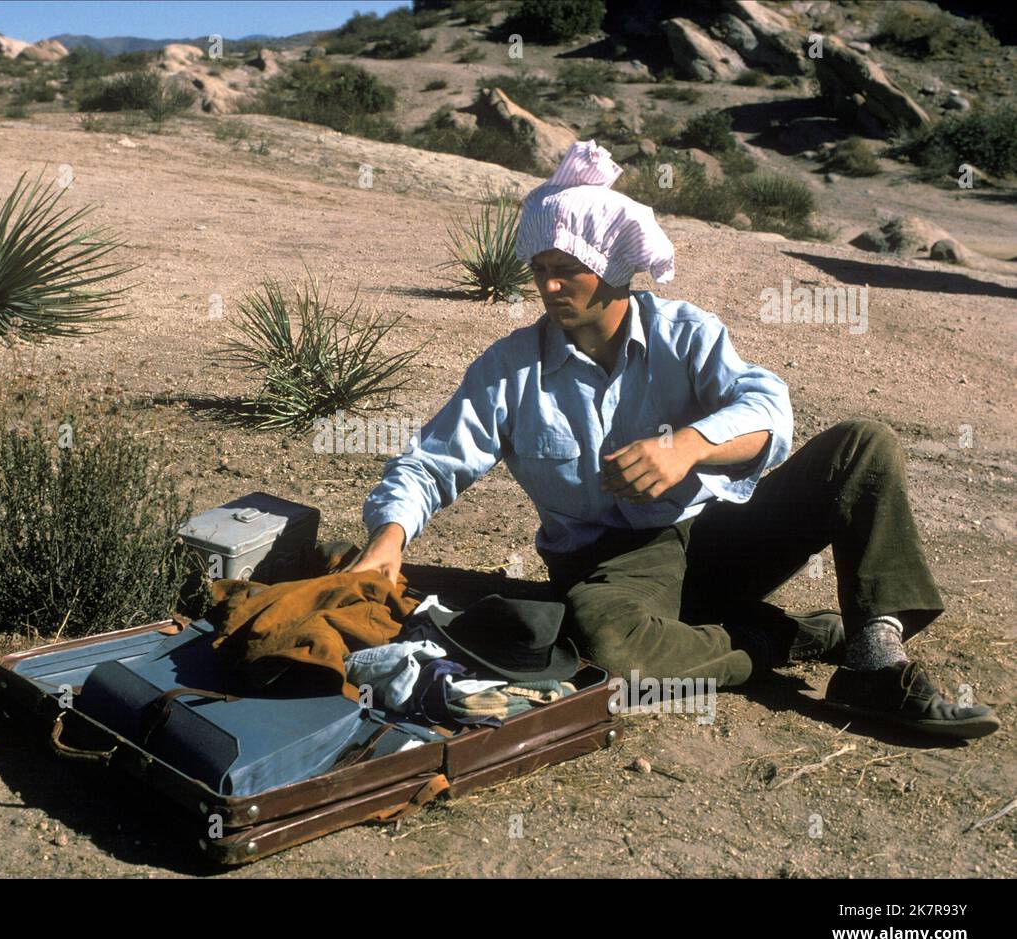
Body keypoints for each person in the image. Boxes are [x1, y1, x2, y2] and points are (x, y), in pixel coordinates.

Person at [342, 140, 999, 740]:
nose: (546, 287)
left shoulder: (686, 335)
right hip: (613, 569)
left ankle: (875, 662)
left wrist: (688, 446)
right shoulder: (510, 369)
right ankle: (775, 639)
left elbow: (768, 409)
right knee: (608, 644)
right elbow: (432, 461)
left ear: (611, 268)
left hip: (716, 534)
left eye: (565, 269)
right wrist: (388, 538)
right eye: (539, 268)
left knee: (864, 447)